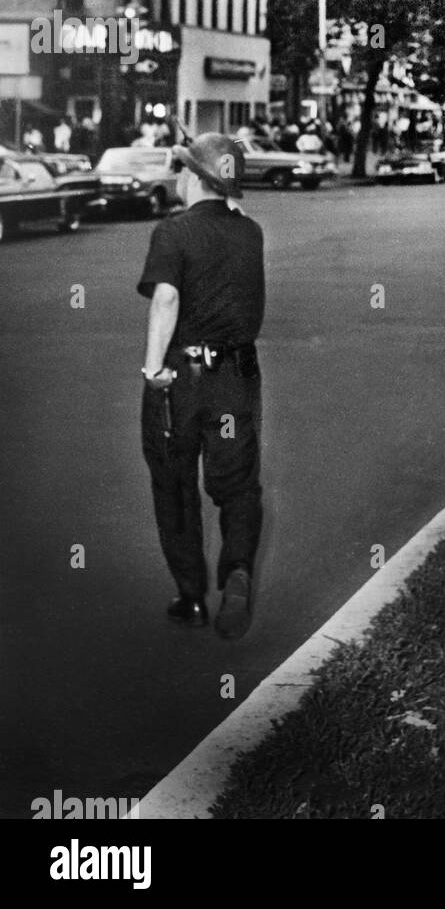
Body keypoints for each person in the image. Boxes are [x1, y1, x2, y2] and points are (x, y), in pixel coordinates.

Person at [136, 134, 265, 640]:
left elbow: (166, 301)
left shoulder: (173, 232)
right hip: (235, 378)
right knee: (237, 484)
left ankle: (190, 597)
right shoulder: (251, 233)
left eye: (181, 168)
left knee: (174, 483)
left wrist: (152, 371)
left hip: (180, 382)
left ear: (194, 177)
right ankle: (237, 570)